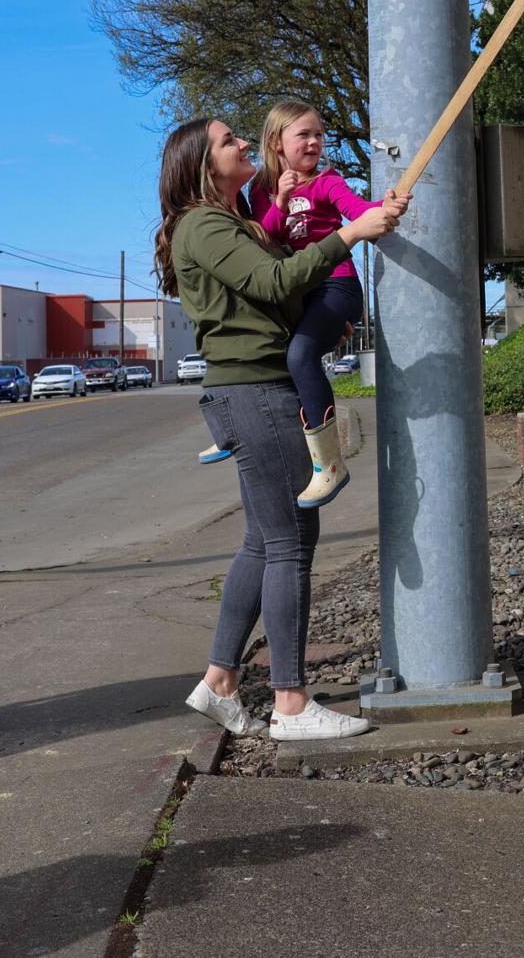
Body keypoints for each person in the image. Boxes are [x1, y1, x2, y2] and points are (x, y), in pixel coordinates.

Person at [156, 116, 409, 741]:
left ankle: (220, 683)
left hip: (248, 390)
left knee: (261, 542)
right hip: (258, 393)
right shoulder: (205, 223)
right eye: (227, 141)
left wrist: (325, 319)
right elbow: (271, 279)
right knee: (292, 540)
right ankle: (291, 704)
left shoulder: (229, 221)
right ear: (201, 165)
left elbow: (269, 297)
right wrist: (349, 233)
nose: (244, 143)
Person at [242, 99, 393, 508]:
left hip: (336, 288)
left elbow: (357, 212)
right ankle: (236, 428)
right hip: (300, 294)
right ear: (276, 142)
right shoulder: (258, 190)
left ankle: (330, 465)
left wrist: (386, 207)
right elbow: (265, 240)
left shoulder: (328, 181)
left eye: (319, 134)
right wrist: (280, 201)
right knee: (269, 353)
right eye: (303, 134)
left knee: (300, 356)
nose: (314, 142)